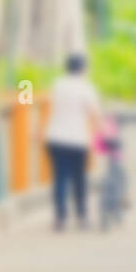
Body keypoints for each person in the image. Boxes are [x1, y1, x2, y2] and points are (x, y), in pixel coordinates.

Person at [45, 53, 102, 231]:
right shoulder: (86, 87)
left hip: (55, 138)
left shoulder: (57, 85)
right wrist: (101, 133)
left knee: (59, 178)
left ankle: (60, 218)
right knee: (79, 179)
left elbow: (49, 108)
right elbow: (94, 114)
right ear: (83, 69)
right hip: (77, 140)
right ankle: (82, 216)